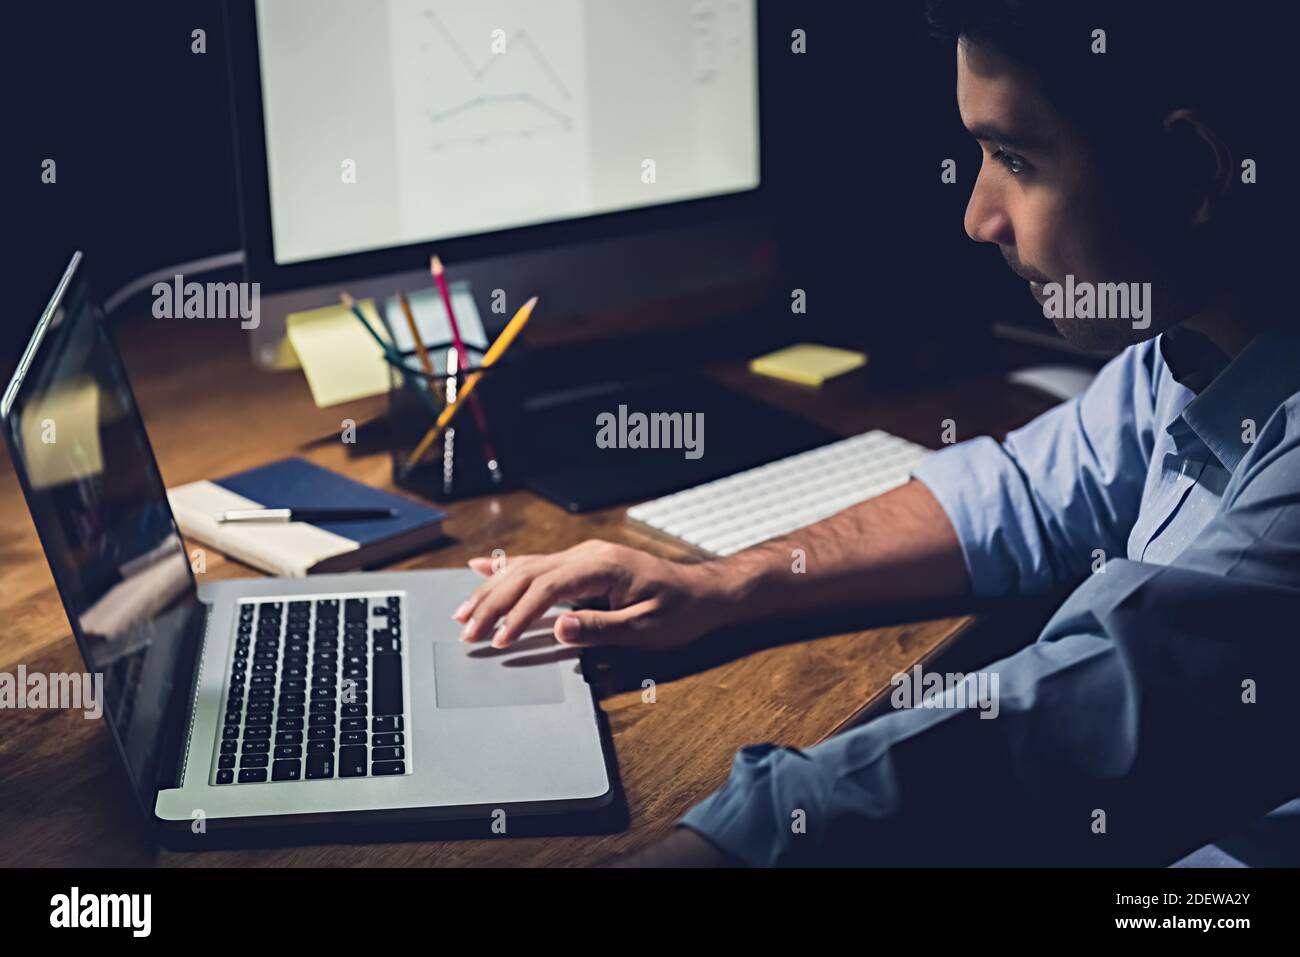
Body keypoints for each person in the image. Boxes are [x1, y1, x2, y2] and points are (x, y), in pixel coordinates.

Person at [455, 0, 1300, 866]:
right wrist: (715, 586)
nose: (979, 216)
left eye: (1016, 157)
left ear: (1190, 177)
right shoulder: (1198, 338)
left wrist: (730, 844)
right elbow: (1026, 494)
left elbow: (1098, 713)